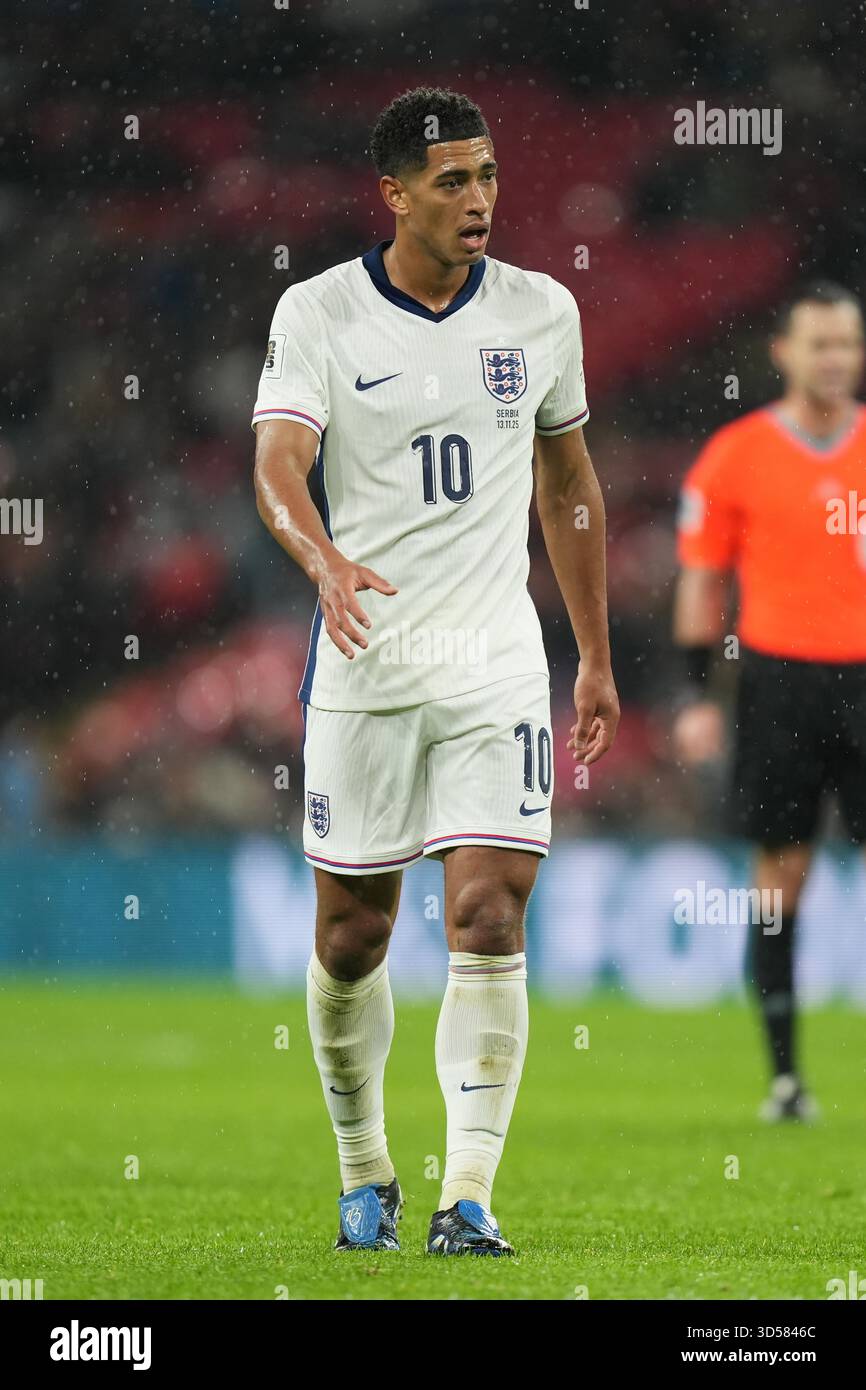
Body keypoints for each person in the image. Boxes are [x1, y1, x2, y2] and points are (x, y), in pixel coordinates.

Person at [252, 86, 619, 1254]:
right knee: (351, 935)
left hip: (494, 663)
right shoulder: (318, 314)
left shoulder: (539, 311)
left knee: (486, 910)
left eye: (489, 176)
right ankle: (365, 1167)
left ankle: (467, 1196)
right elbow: (276, 460)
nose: (479, 201)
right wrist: (321, 557)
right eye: (452, 181)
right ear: (393, 193)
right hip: (366, 663)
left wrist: (593, 654)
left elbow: (566, 485)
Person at [673, 280, 866, 1120]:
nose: (837, 359)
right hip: (778, 682)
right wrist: (696, 697)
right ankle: (786, 1081)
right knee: (779, 877)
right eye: (820, 344)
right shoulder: (736, 455)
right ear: (783, 353)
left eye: (849, 343)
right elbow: (700, 584)